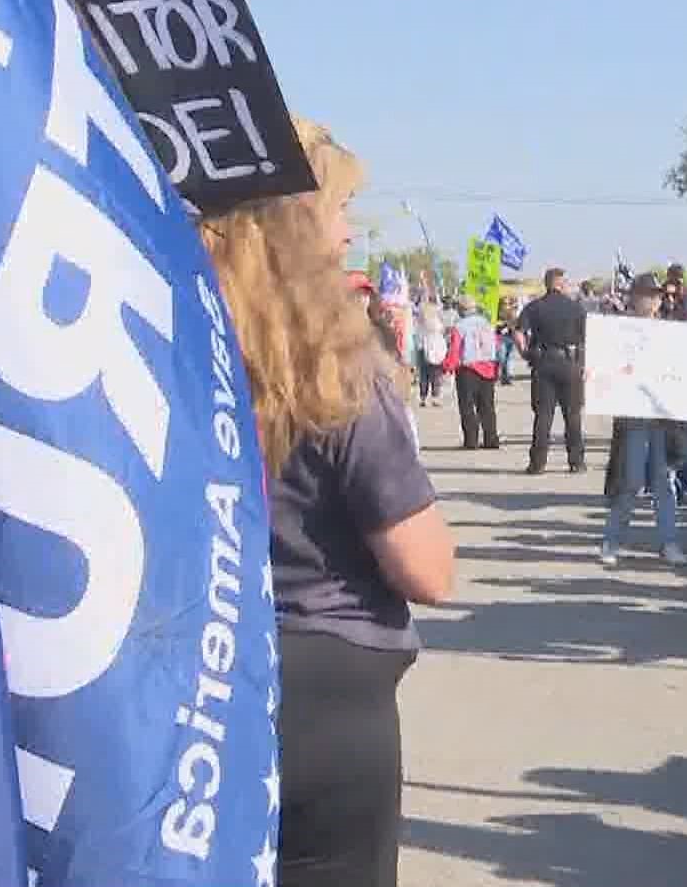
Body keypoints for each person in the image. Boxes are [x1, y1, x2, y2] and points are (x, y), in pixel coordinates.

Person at [200, 117, 454, 887]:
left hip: (202, 677)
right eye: (339, 212)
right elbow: (426, 570)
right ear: (299, 227)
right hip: (327, 693)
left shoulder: (176, 346)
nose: (348, 236)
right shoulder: (341, 374)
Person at [600, 274, 687, 567]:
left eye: (656, 295)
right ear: (634, 297)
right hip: (634, 418)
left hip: (663, 418)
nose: (652, 300)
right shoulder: (619, 331)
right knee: (631, 480)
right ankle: (612, 541)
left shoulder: (671, 330)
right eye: (646, 295)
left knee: (664, 481)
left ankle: (669, 542)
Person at [514, 268, 588, 475]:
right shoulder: (576, 308)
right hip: (570, 363)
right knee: (573, 415)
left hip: (543, 362)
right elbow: (588, 338)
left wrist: (526, 354)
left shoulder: (534, 307)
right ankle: (576, 461)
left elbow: (518, 333)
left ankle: (537, 463)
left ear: (546, 284)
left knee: (543, 416)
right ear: (562, 284)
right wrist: (583, 363)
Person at [445, 298, 500, 451]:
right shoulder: (487, 324)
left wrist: (448, 366)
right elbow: (496, 345)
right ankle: (491, 439)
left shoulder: (460, 326)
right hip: (487, 367)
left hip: (468, 369)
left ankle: (471, 440)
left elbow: (455, 349)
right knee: (487, 406)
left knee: (467, 406)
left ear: (462, 310)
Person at [414, 300, 447, 408]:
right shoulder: (436, 322)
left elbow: (417, 335)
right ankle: (435, 397)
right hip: (435, 350)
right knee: (435, 375)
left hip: (422, 349)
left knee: (423, 375)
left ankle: (423, 398)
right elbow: (442, 331)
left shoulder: (420, 321)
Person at [494, 295, 520, 386]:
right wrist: (503, 324)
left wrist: (510, 325)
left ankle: (506, 378)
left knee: (508, 359)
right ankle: (502, 376)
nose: (507, 305)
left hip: (510, 337)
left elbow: (515, 324)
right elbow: (495, 324)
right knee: (502, 358)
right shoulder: (497, 313)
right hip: (500, 338)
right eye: (505, 303)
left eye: (508, 303)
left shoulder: (512, 312)